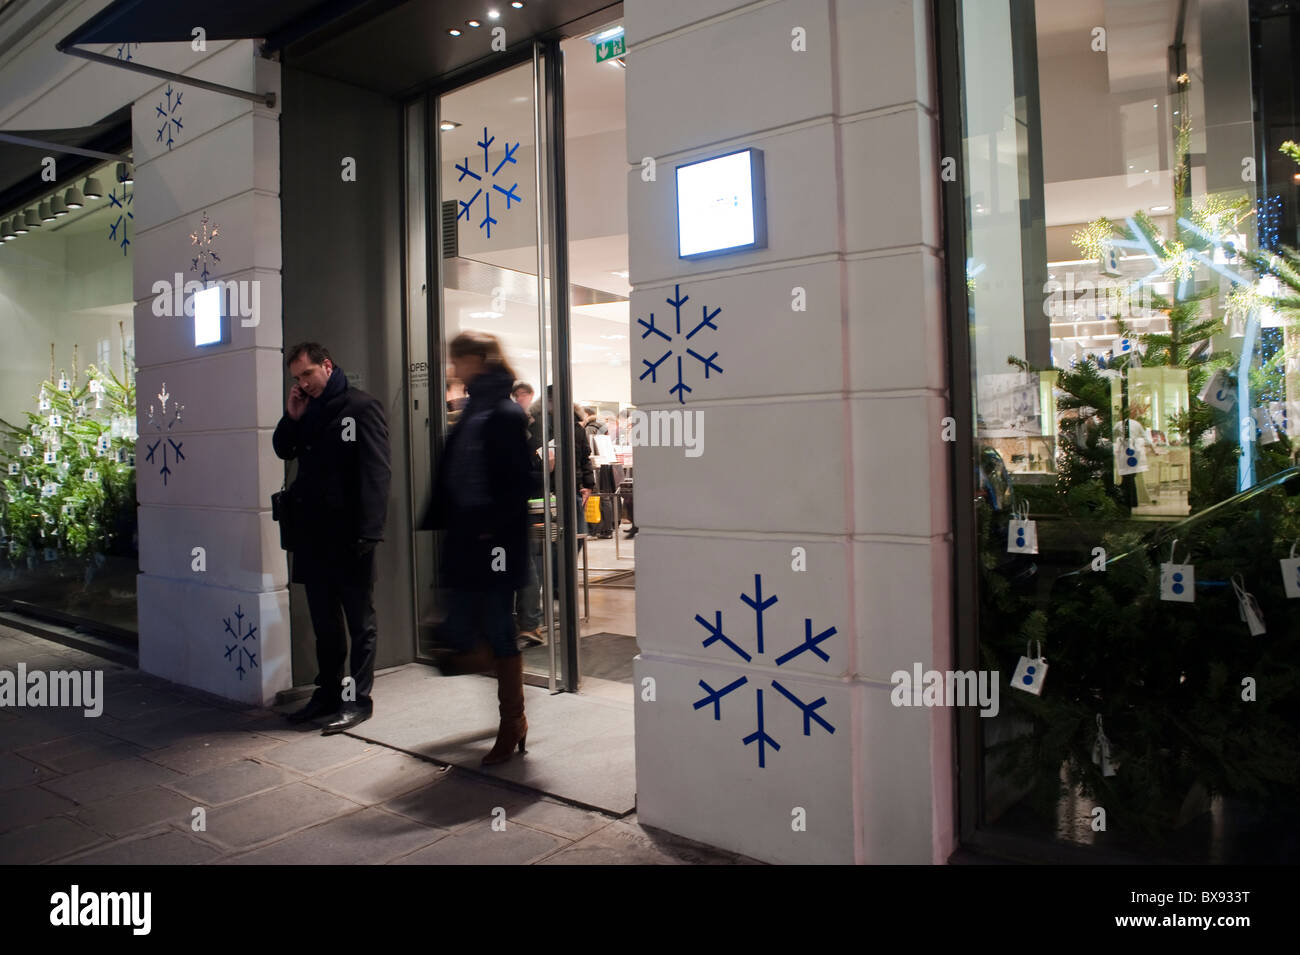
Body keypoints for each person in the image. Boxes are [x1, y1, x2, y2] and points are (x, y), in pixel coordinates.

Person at [273, 342, 391, 734]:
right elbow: (283, 450)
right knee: (324, 621)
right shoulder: (306, 409)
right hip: (312, 535)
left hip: (350, 535)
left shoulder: (360, 406)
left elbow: (377, 472)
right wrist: (292, 417)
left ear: (327, 365)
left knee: (360, 622)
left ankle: (358, 700)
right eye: (296, 378)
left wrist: (369, 533)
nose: (303, 384)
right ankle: (326, 693)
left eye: (307, 374)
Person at [426, 331, 532, 765]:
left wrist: (491, 533)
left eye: (457, 361)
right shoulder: (473, 411)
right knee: (469, 624)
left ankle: (513, 723)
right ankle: (513, 717)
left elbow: (515, 484)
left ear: (476, 360)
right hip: (467, 539)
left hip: (493, 542)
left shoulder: (504, 413)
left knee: (496, 626)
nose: (453, 369)